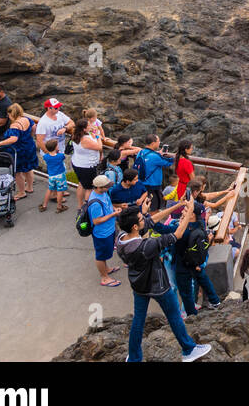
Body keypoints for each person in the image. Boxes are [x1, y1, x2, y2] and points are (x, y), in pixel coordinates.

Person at [115, 204, 213, 362]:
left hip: (139, 285)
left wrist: (179, 204)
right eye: (141, 218)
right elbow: (178, 234)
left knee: (138, 321)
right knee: (174, 316)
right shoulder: (146, 246)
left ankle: (134, 357)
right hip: (158, 285)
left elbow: (151, 221)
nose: (144, 219)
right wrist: (189, 211)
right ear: (134, 226)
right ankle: (188, 350)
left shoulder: (121, 238)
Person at [85, 175, 121, 286]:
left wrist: (114, 209)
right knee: (100, 256)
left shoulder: (103, 193)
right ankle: (104, 278)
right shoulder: (95, 203)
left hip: (109, 230)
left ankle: (106, 269)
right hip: (102, 233)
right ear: (99, 187)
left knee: (105, 253)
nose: (109, 187)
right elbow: (96, 221)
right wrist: (114, 214)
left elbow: (108, 205)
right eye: (107, 186)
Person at [136, 134, 176, 210]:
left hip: (142, 183)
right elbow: (168, 162)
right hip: (153, 186)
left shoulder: (140, 152)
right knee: (154, 208)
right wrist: (177, 156)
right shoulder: (155, 156)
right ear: (153, 143)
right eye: (158, 141)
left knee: (145, 207)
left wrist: (158, 154)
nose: (159, 143)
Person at [39, 137, 69, 212]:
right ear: (56, 147)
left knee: (50, 189)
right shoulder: (60, 156)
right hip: (60, 176)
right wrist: (58, 152)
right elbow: (63, 157)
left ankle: (44, 205)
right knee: (60, 191)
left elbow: (49, 156)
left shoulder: (46, 157)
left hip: (51, 176)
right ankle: (59, 206)